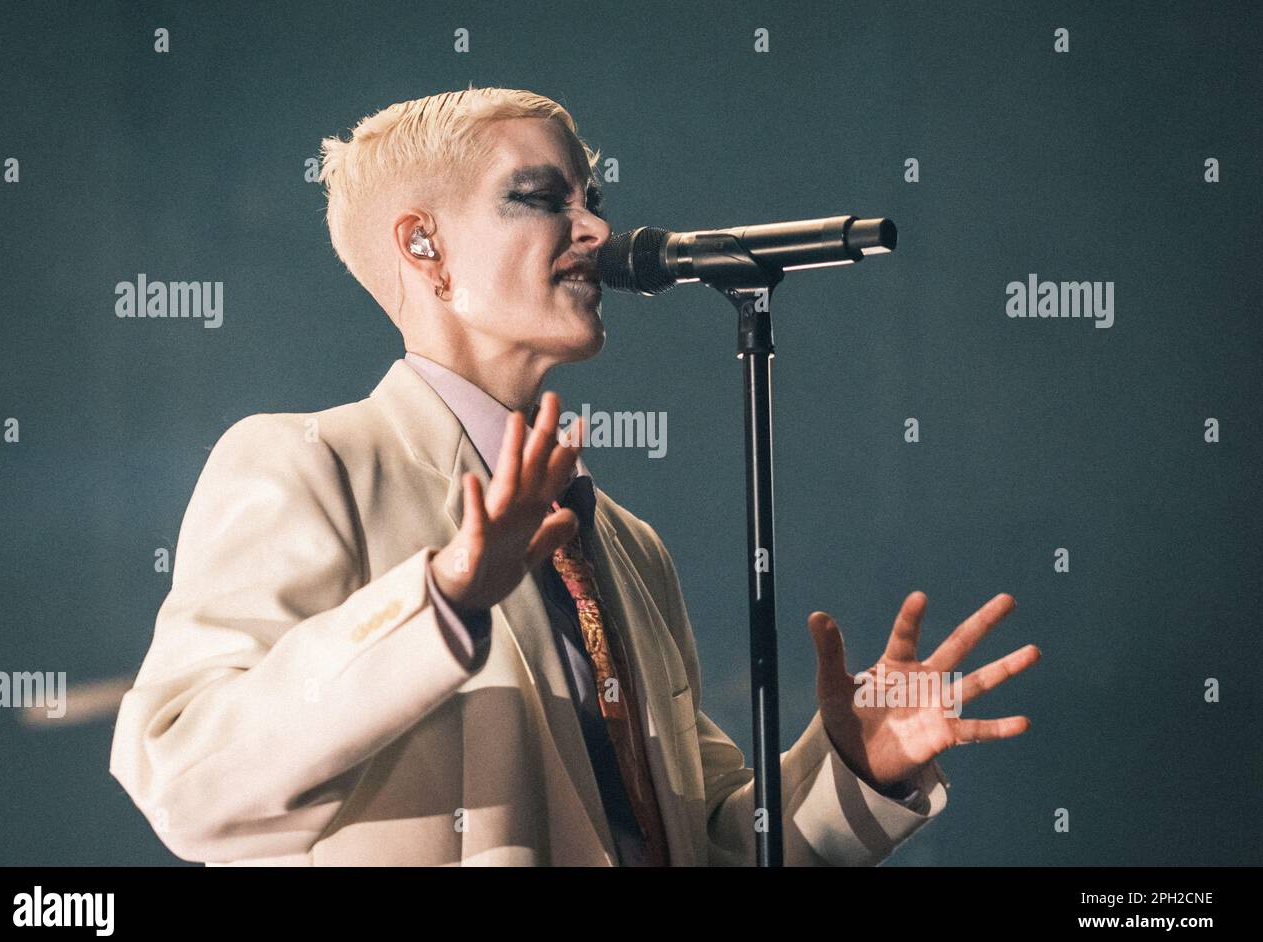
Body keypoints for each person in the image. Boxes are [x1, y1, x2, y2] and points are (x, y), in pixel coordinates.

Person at [108, 87, 1041, 866]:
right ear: (423, 244)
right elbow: (187, 779)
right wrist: (441, 600)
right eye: (540, 197)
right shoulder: (309, 462)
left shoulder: (625, 543)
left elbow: (702, 842)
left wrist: (855, 768)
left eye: (589, 197)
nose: (596, 227)